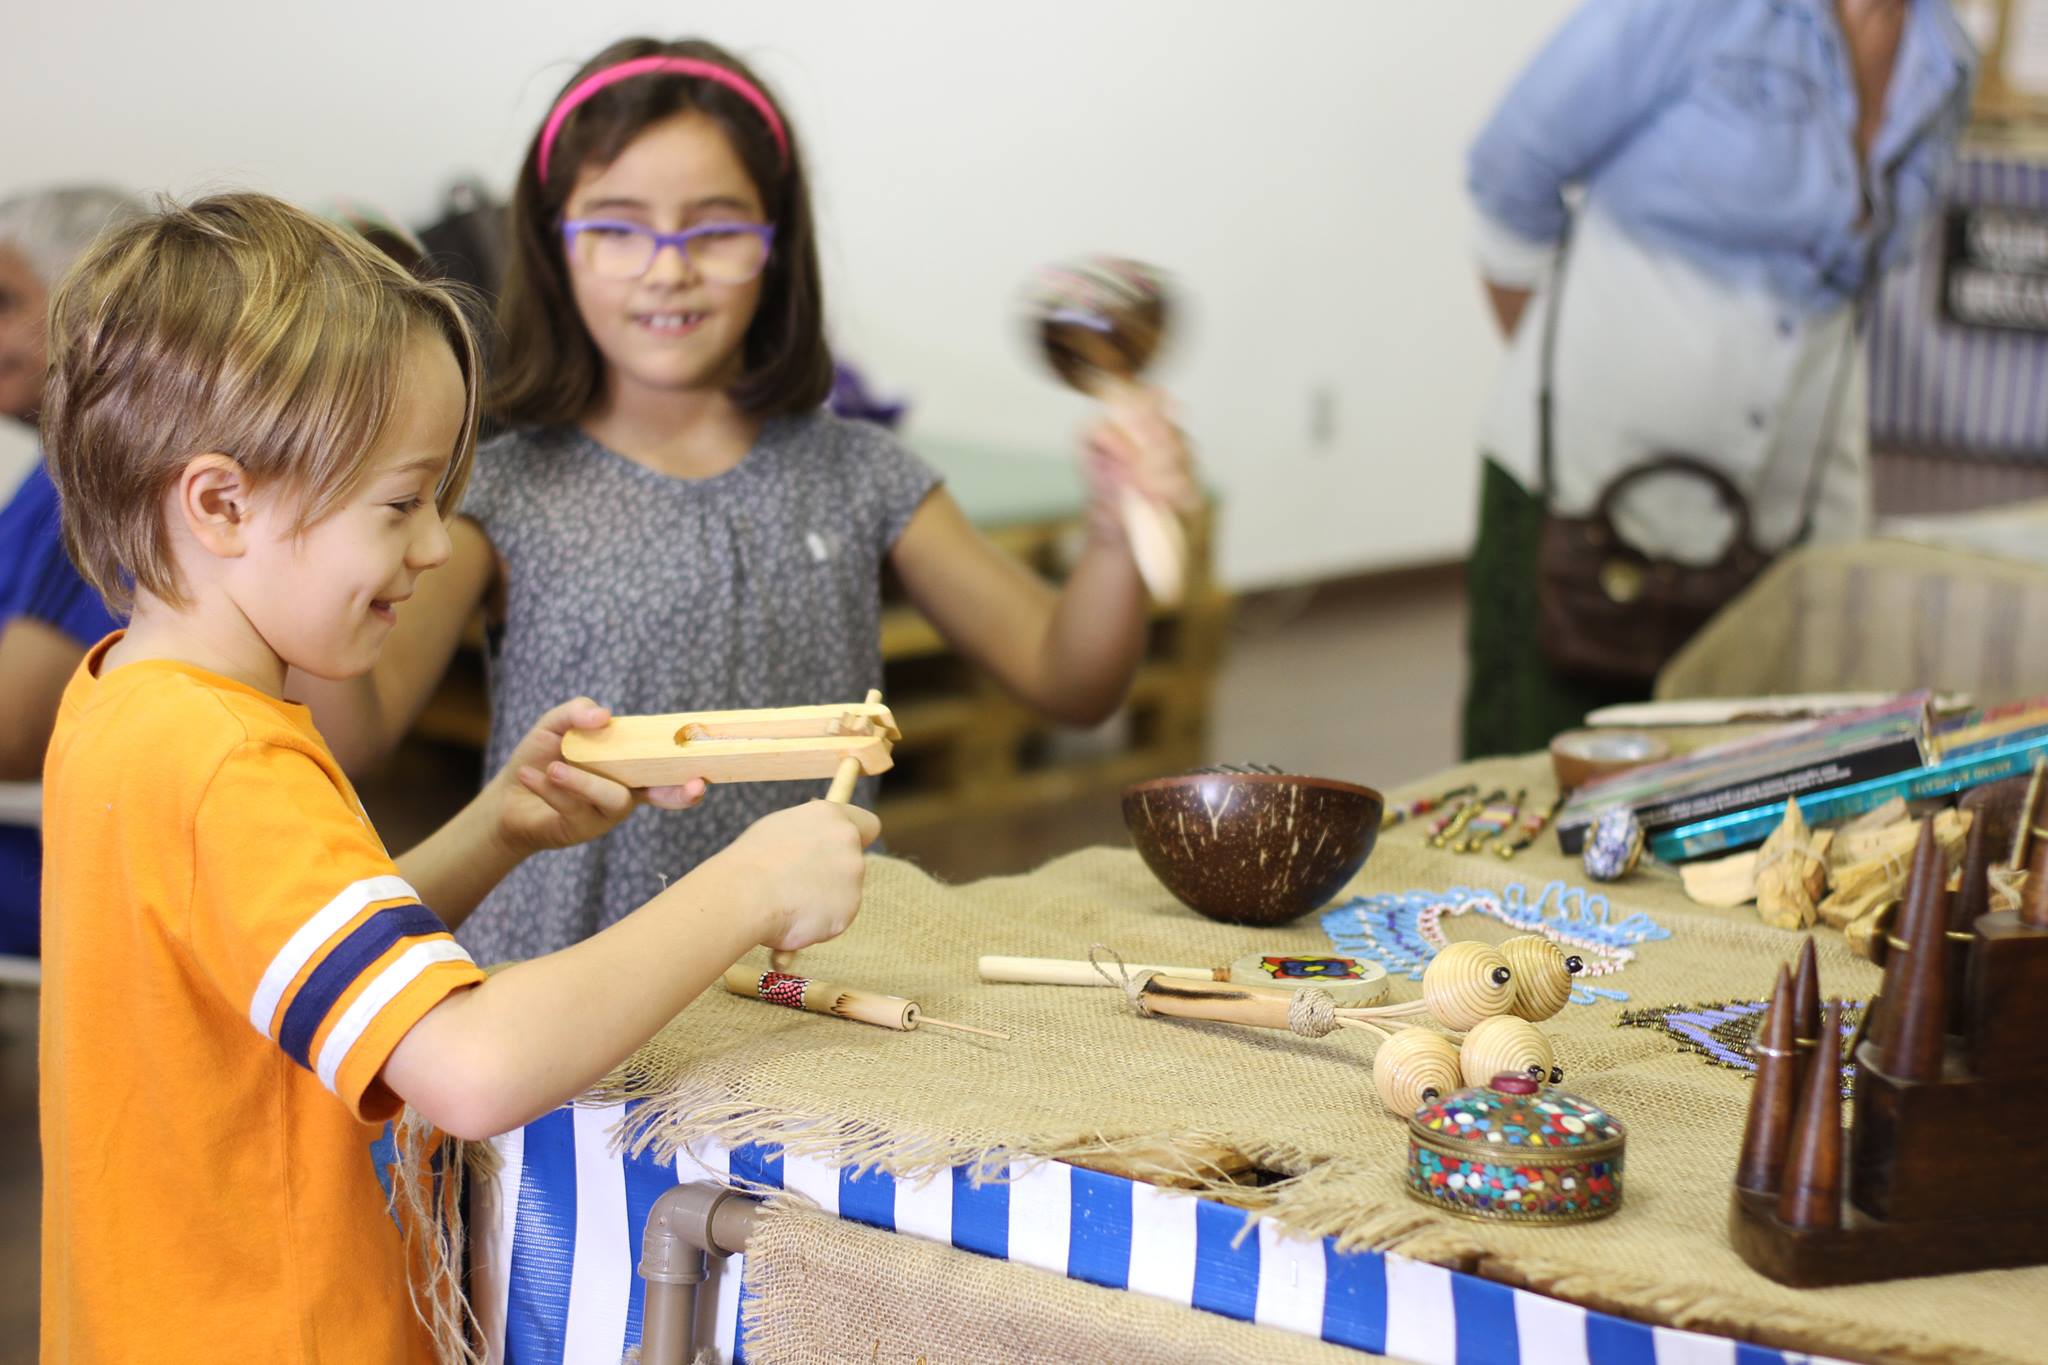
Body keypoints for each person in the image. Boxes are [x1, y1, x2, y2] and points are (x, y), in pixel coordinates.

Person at [37, 192, 878, 1360]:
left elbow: (291, 974)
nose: (435, 547)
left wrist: (499, 830)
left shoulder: (126, 700)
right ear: (220, 502)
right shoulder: (228, 762)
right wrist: (749, 886)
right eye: (400, 504)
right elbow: (470, 1071)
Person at [300, 37, 1199, 963]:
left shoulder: (861, 475)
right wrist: (321, 508)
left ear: (776, 246)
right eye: (616, 227)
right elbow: (355, 737)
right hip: (565, 998)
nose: (667, 267)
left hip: (802, 985)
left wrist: (1113, 536)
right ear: (553, 244)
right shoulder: (503, 488)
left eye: (715, 228)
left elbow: (1072, 680)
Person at [1460, 0, 1976, 758]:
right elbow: (1508, 169)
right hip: (1581, 510)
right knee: (1528, 807)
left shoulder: (1945, 57)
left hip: (1778, 532)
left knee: (1722, 829)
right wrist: (1574, 369)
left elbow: (1852, 293)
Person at [0, 185, 143, 956]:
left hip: (75, 875)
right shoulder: (55, 467)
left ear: (92, 304)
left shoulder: (91, 475)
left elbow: (12, 734)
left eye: (4, 300)